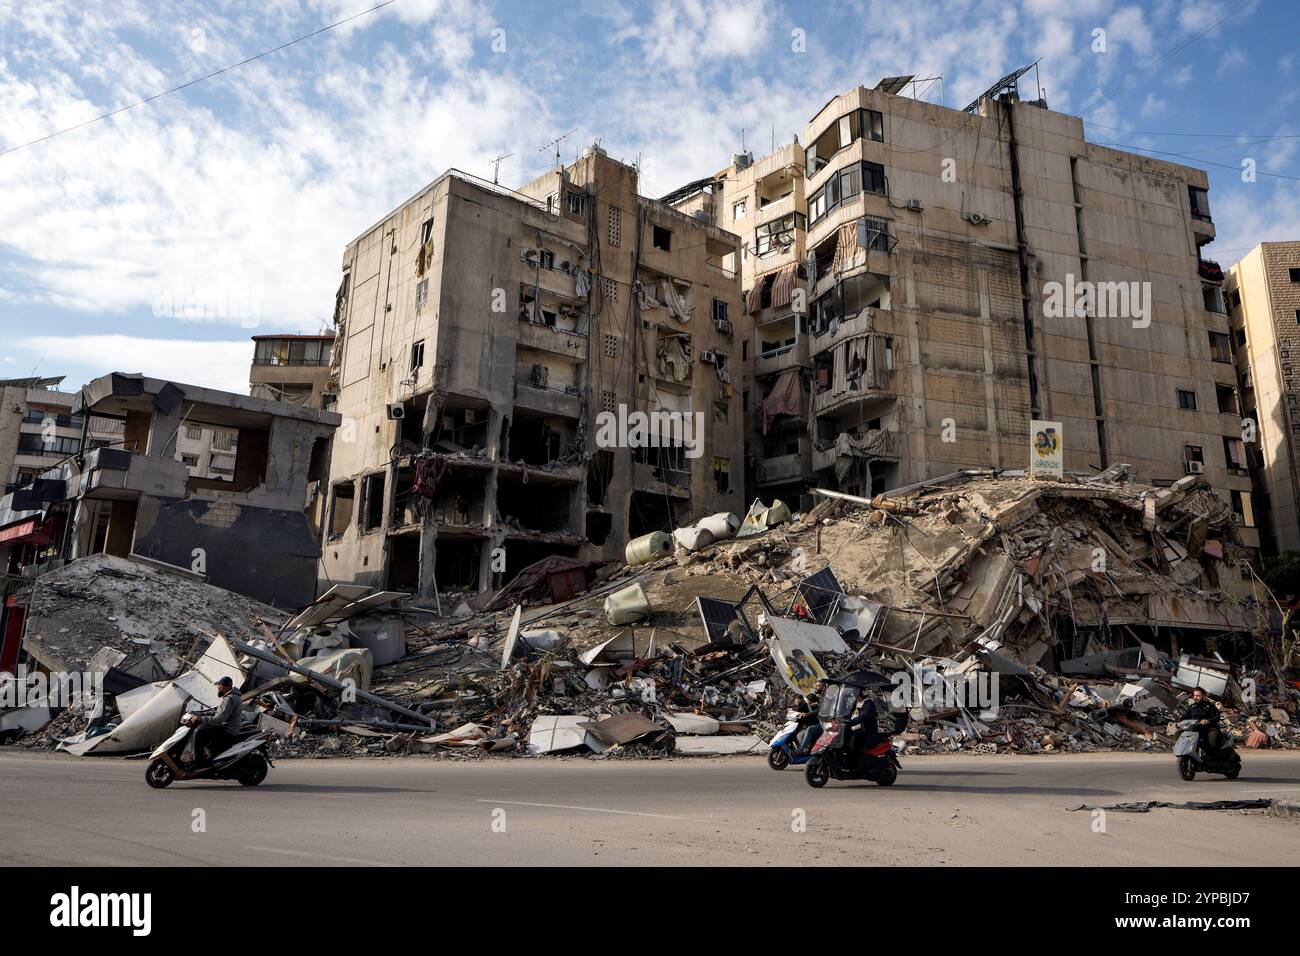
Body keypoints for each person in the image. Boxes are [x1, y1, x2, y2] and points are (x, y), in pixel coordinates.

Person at [192, 676, 243, 762]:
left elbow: (219, 719)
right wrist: (199, 714)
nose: (218, 688)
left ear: (226, 687)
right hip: (228, 728)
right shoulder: (233, 696)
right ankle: (206, 755)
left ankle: (199, 763)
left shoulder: (229, 699)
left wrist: (201, 719)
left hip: (227, 730)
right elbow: (217, 713)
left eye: (220, 686)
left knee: (200, 732)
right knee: (204, 728)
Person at [1182, 687, 1221, 754]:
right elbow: (1185, 717)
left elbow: (1217, 717)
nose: (1195, 697)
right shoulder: (1192, 707)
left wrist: (1208, 720)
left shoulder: (1210, 706)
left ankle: (1212, 758)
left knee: (1212, 740)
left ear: (1204, 696)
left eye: (1198, 696)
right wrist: (1178, 722)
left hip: (1209, 728)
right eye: (1194, 695)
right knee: (1179, 733)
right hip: (1195, 728)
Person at [794, 680, 826, 753]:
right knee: (801, 733)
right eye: (816, 685)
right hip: (821, 723)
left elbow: (819, 710)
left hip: (825, 724)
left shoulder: (824, 698)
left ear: (823, 688)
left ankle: (801, 750)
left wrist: (807, 714)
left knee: (809, 729)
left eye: (818, 686)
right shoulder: (821, 697)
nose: (816, 687)